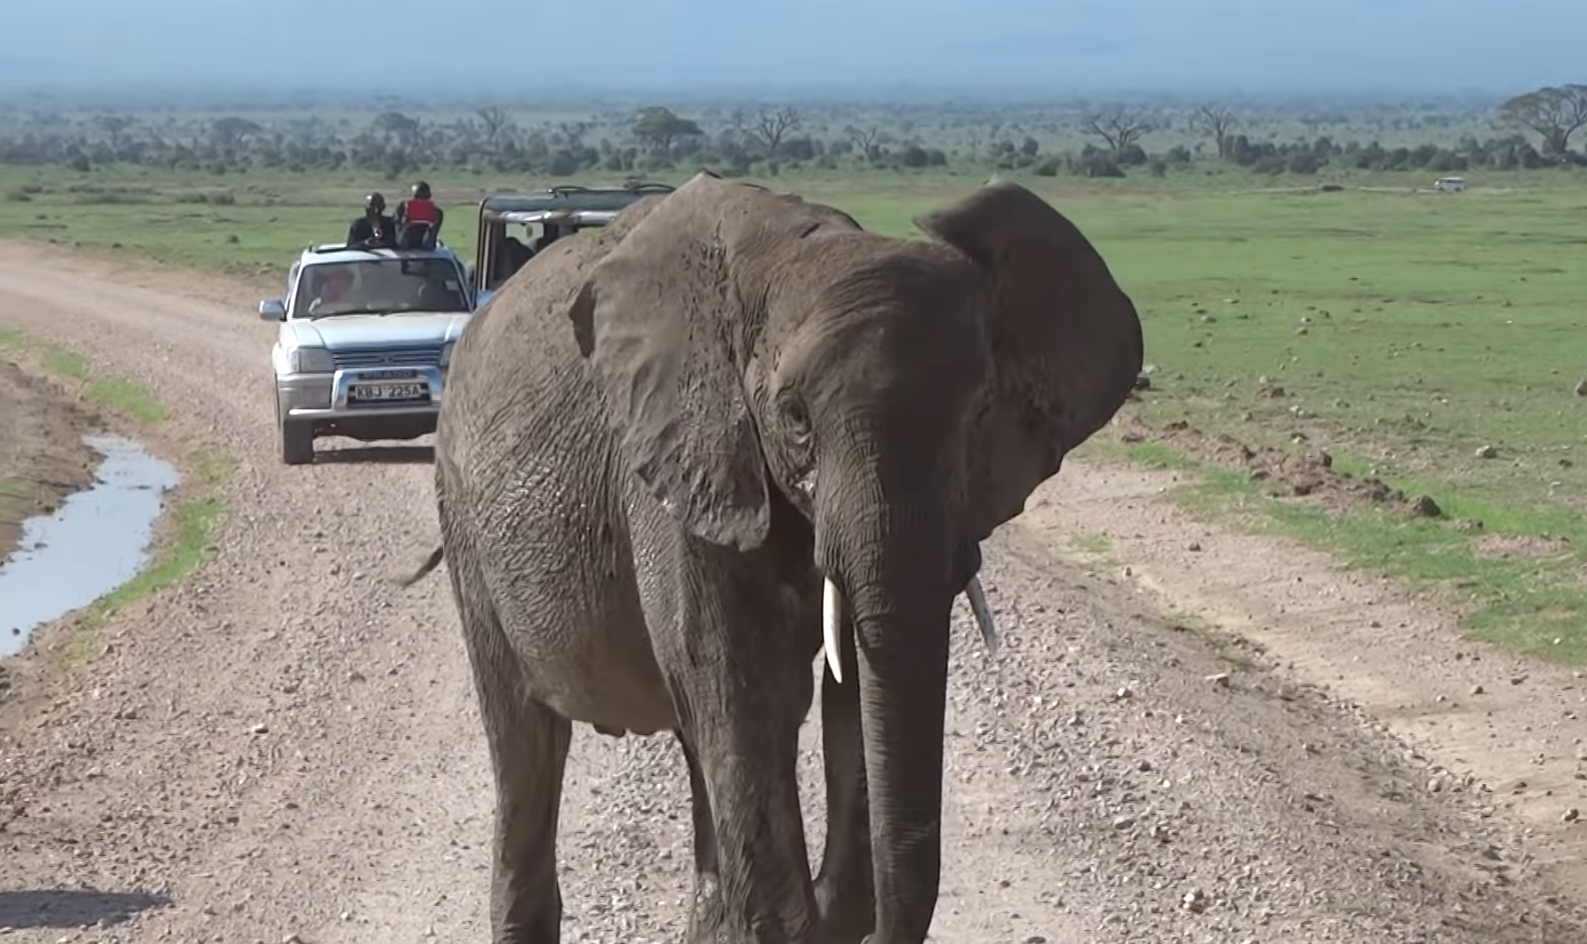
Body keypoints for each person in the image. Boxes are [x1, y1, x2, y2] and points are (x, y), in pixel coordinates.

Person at [394, 181, 444, 250]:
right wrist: (405, 225)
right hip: (404, 241)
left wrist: (433, 225)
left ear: (429, 196)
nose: (420, 200)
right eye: (417, 197)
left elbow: (429, 242)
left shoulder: (436, 212)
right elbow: (399, 236)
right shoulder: (402, 209)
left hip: (426, 244)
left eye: (423, 197)